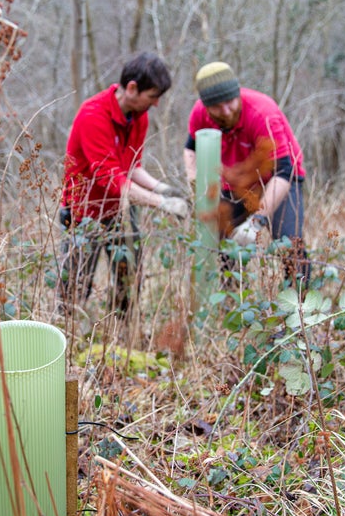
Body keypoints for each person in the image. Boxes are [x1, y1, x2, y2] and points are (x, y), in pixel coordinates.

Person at [58, 52, 190, 319]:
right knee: (75, 286)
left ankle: (121, 336)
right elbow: (111, 179)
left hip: (120, 208)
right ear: (132, 88)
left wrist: (162, 189)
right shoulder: (93, 115)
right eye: (152, 96)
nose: (155, 104)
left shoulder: (138, 116)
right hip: (86, 211)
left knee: (128, 280)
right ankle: (67, 337)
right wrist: (162, 204)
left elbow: (131, 168)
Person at [182, 61, 308, 284]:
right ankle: (233, 303)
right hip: (236, 184)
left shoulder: (262, 113)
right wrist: (195, 185)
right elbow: (190, 149)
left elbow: (284, 172)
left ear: (237, 93)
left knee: (290, 245)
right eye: (217, 107)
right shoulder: (200, 113)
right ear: (206, 105)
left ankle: (300, 307)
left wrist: (257, 220)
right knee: (224, 245)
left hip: (279, 180)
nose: (226, 111)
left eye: (230, 102)